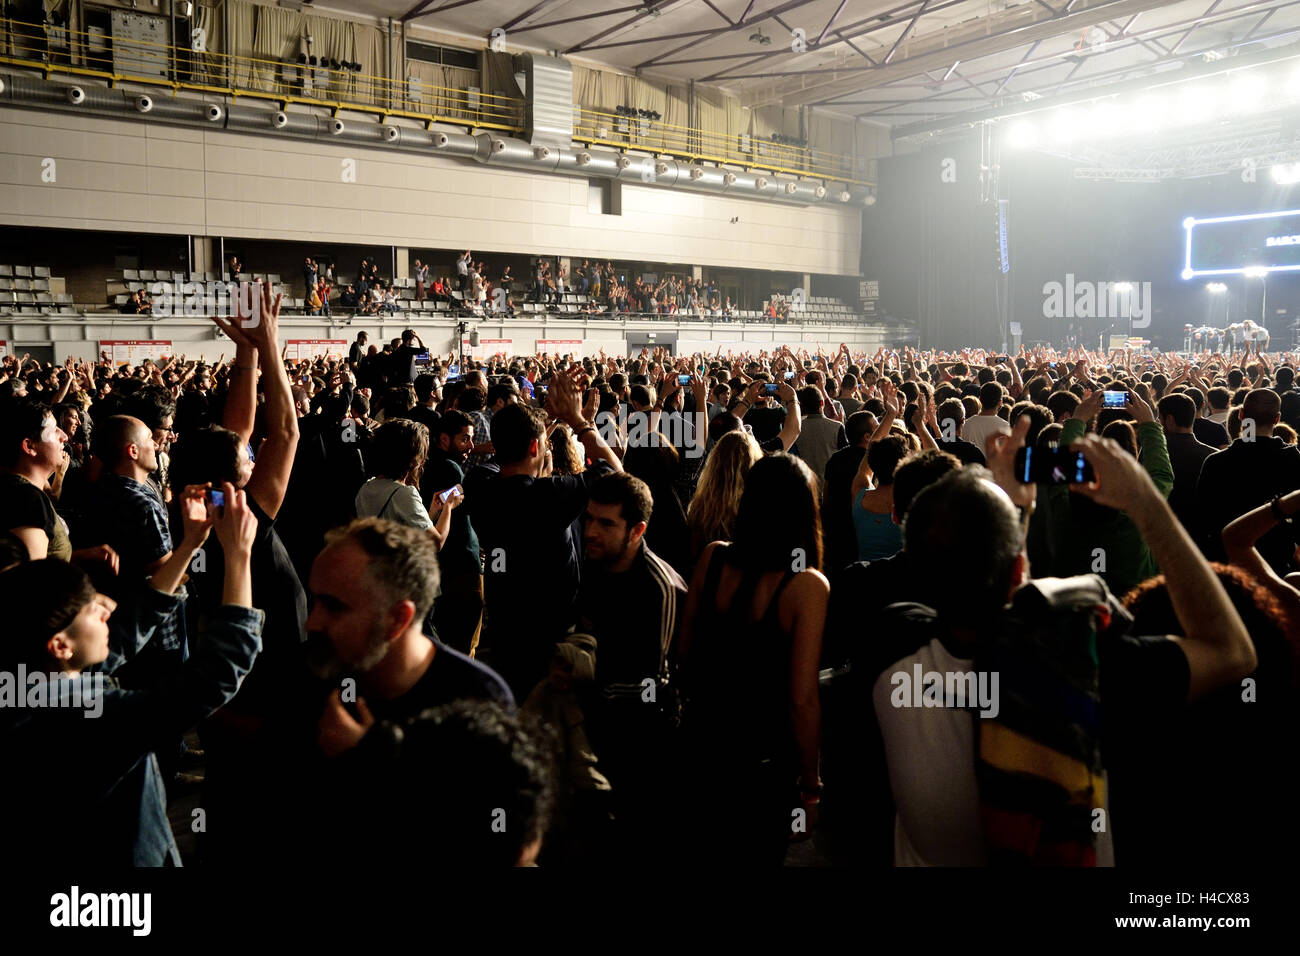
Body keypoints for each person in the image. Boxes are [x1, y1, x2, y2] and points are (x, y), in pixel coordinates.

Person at [862, 428, 1256, 866]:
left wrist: (1013, 511)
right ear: (1017, 567)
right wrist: (1147, 502)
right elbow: (1232, 650)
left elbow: (995, 614)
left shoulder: (890, 642)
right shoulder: (1085, 666)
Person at [0, 484, 262, 866]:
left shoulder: (38, 684)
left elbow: (129, 628)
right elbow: (215, 675)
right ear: (59, 645)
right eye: (90, 608)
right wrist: (239, 554)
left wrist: (189, 544)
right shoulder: (87, 718)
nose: (107, 605)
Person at [675, 453, 828, 866]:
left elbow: (683, 649)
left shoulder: (713, 557)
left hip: (700, 745)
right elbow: (802, 701)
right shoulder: (807, 587)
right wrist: (811, 786)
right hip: (762, 763)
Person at [464, 366, 622, 697]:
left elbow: (510, 452)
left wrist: (547, 425)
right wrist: (580, 421)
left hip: (505, 628)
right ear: (538, 448)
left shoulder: (479, 487)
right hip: (552, 639)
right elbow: (615, 474)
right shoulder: (549, 496)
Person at [575, 471, 686, 857]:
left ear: (637, 530)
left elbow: (655, 682)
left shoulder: (659, 588)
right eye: (589, 518)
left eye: (606, 523)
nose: (591, 531)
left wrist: (591, 684)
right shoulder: (595, 561)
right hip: (596, 731)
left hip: (645, 745)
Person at [1195, 387, 1300, 574]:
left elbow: (1202, 518)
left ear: (1241, 415)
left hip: (1226, 562)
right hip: (1277, 560)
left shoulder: (1216, 462)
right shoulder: (1293, 461)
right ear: (1277, 419)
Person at [1158, 392, 1216, 534]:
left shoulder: (1156, 454)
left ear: (1169, 420)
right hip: (1201, 535)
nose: (1158, 423)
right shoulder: (1213, 456)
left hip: (1163, 534)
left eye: (1159, 419)